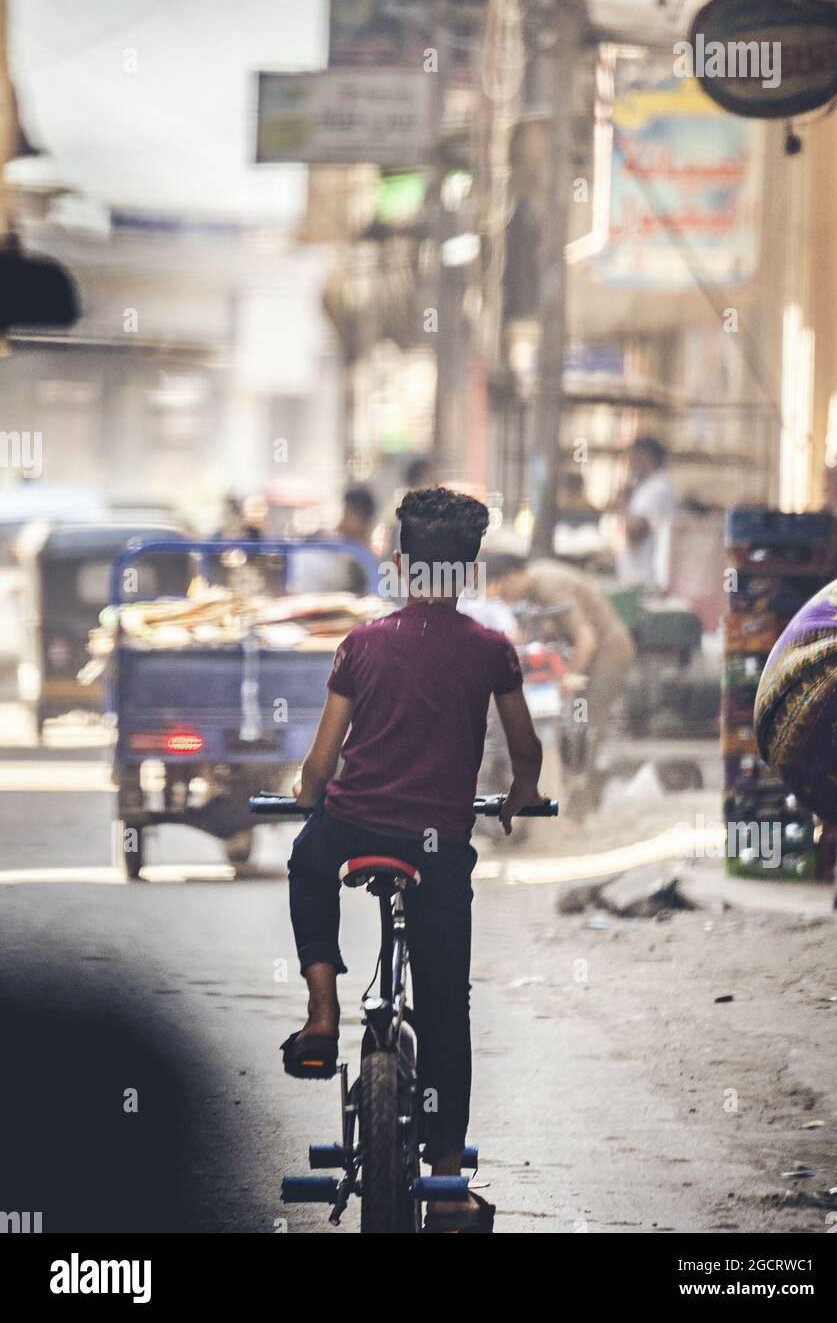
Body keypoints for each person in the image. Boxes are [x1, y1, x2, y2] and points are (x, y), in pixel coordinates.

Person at [284, 487, 545, 1233]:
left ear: (399, 567)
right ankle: (448, 1179)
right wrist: (522, 793)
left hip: (354, 824)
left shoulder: (362, 645)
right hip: (438, 846)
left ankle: (324, 1014)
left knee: (307, 860)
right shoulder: (492, 650)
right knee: (445, 1005)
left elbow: (321, 763)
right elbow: (524, 750)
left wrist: (307, 795)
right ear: (467, 575)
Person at [485, 553, 635, 797]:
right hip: (590, 653)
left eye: (503, 591)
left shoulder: (549, 586)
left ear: (514, 576)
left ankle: (583, 799)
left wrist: (567, 679)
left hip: (609, 654)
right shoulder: (535, 583)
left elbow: (586, 639)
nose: (503, 599)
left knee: (585, 723)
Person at [616, 436, 677, 590]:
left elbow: (635, 531)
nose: (630, 465)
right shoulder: (647, 487)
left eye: (632, 458)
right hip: (637, 579)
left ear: (646, 458)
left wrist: (623, 504)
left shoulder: (656, 489)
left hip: (645, 581)